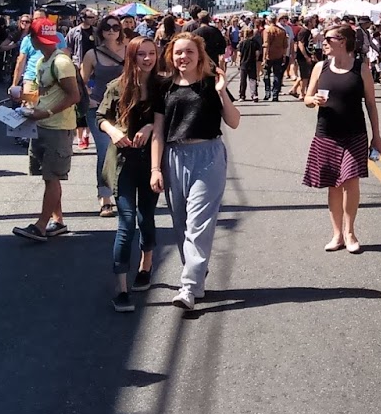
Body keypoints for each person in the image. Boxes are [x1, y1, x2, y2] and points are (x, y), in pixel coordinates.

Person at [151, 32, 240, 310]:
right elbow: (158, 131)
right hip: (175, 156)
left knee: (198, 224)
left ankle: (188, 286)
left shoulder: (212, 83)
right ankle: (197, 277)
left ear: (199, 55)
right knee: (181, 225)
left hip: (208, 155)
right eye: (178, 52)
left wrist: (222, 91)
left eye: (189, 52)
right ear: (171, 55)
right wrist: (156, 168)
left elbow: (234, 122)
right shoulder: (164, 86)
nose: (183, 57)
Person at [302, 23, 381, 253]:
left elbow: (370, 103)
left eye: (329, 39)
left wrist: (376, 136)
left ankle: (350, 232)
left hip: (354, 133)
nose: (324, 43)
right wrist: (313, 100)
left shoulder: (361, 68)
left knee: (351, 182)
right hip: (327, 134)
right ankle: (337, 234)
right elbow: (306, 98)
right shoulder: (321, 67)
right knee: (333, 185)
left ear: (344, 41)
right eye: (324, 39)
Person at [100, 37, 160, 313]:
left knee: (145, 217)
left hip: (152, 163)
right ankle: (121, 288)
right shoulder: (118, 86)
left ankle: (146, 265)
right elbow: (101, 117)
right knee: (126, 222)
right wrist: (112, 131)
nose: (147, 59)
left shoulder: (163, 86)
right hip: (124, 162)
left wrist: (149, 127)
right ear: (131, 57)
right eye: (141, 55)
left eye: (152, 54)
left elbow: (171, 119)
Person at [11, 18, 80, 242]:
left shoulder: (60, 62)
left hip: (58, 127)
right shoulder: (43, 60)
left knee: (52, 176)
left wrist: (46, 112)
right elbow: (46, 94)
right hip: (42, 124)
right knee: (51, 177)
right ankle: (57, 220)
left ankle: (41, 225)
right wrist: (25, 102)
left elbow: (74, 96)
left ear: (34, 38)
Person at [81, 18, 127, 218]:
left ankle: (123, 192)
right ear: (100, 31)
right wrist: (88, 99)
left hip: (125, 108)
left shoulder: (129, 50)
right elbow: (81, 81)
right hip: (98, 108)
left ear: (121, 31)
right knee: (104, 149)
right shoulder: (92, 54)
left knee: (124, 149)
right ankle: (105, 198)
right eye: (107, 27)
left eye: (115, 27)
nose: (111, 31)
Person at [263, 15, 289, 101]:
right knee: (277, 75)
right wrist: (284, 55)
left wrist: (264, 57)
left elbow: (266, 45)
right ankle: (275, 94)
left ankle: (267, 93)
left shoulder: (267, 30)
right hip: (279, 55)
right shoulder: (282, 31)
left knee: (266, 74)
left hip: (269, 56)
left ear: (268, 21)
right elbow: (285, 45)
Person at [236, 26, 263, 101]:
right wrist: (256, 59)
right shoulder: (255, 43)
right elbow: (257, 53)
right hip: (252, 63)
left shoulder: (242, 43)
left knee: (243, 80)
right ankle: (254, 95)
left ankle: (242, 95)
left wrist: (238, 63)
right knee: (253, 79)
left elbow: (239, 54)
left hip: (243, 63)